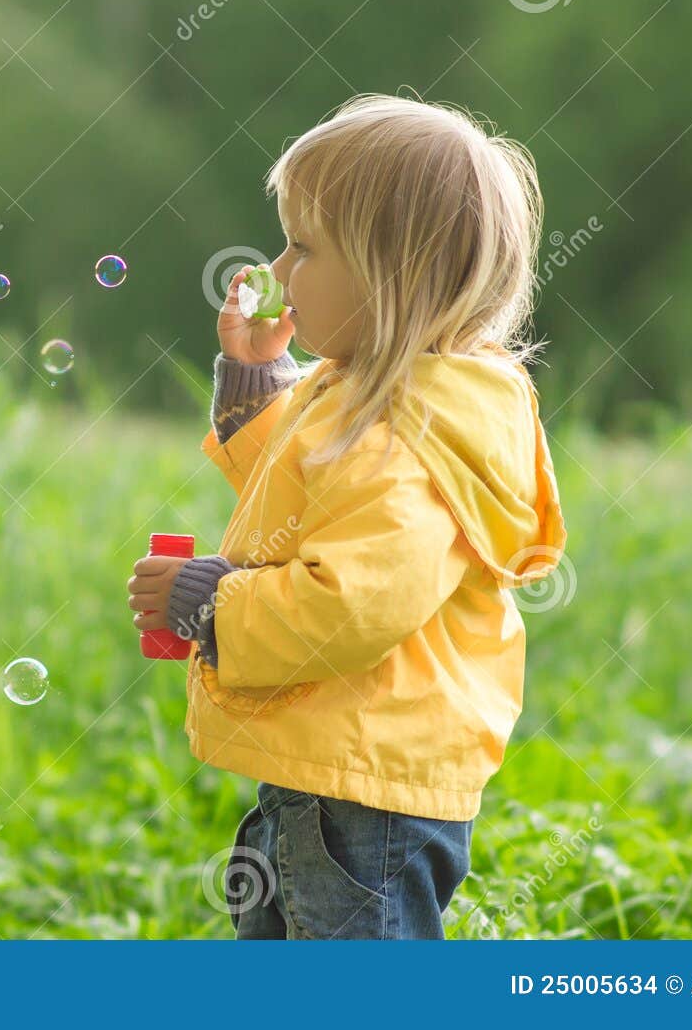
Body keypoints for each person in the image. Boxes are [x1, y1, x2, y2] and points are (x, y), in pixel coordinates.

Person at [127, 94, 568, 939]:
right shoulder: (389, 393)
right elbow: (316, 501)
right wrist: (260, 379)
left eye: (305, 247)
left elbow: (350, 602)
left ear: (391, 275)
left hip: (361, 798)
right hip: (337, 769)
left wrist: (208, 603)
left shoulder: (417, 435)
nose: (280, 272)